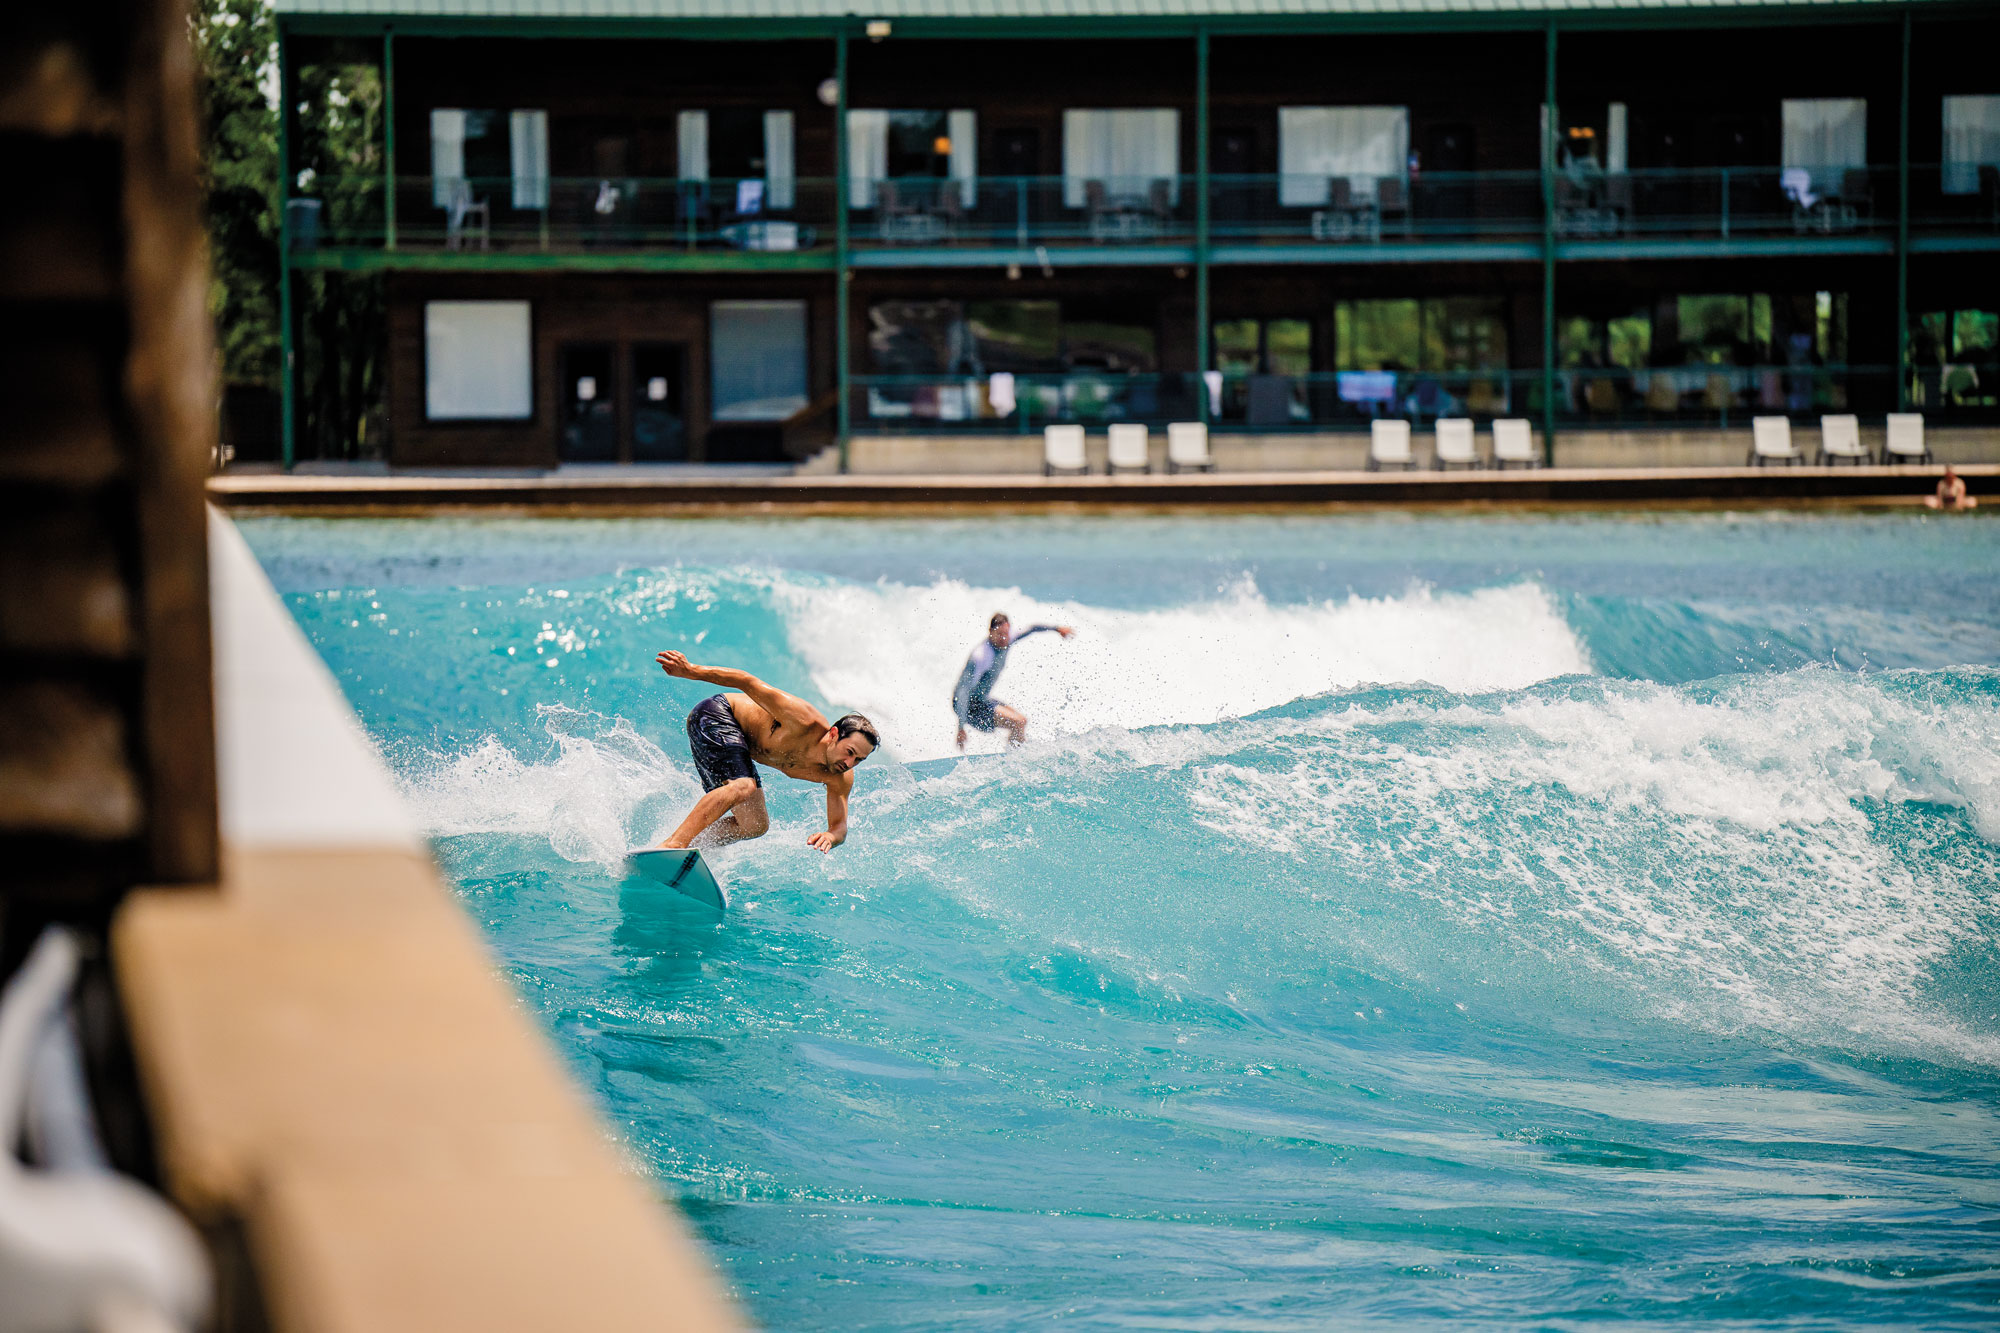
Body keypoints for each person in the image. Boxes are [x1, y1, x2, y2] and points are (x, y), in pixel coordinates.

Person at [655, 649, 879, 852]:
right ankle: (675, 843)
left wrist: (831, 836)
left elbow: (840, 827)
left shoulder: (839, 777)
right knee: (742, 785)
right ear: (833, 734)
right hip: (716, 714)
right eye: (849, 752)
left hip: (736, 744)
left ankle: (686, 847)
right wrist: (691, 670)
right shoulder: (803, 720)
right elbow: (746, 681)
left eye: (859, 759)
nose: (850, 763)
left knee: (754, 825)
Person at [952, 612, 1074, 750]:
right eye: (999, 634)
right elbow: (963, 691)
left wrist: (1056, 629)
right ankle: (1011, 759)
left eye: (1006, 633)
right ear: (990, 632)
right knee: (1018, 722)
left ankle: (1014, 756)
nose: (1004, 639)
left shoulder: (1008, 638)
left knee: (1022, 720)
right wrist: (961, 727)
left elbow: (1032, 628)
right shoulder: (981, 656)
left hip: (982, 699)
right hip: (969, 706)